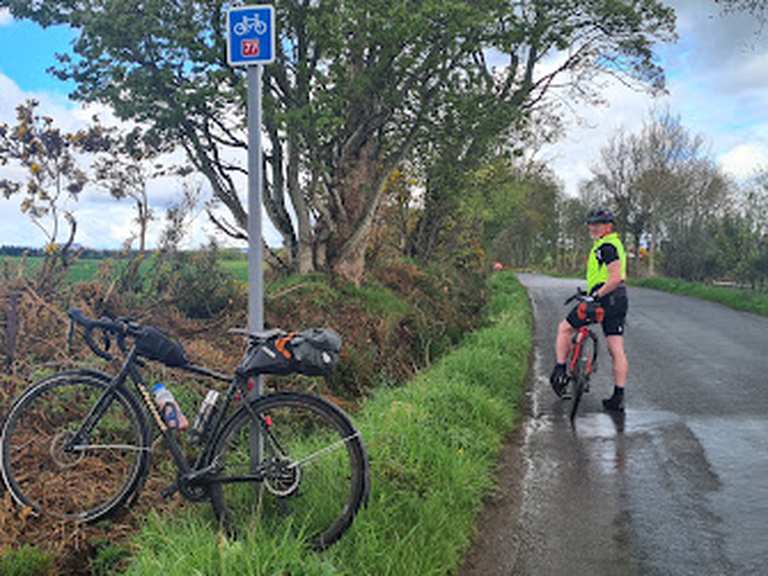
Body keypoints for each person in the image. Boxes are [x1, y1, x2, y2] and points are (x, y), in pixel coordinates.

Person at [549, 208, 629, 412]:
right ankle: (618, 397)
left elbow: (614, 277)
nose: (592, 227)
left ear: (608, 226)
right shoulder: (614, 244)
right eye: (591, 224)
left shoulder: (606, 247)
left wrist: (596, 295)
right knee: (616, 349)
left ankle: (560, 370)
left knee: (565, 328)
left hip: (605, 298)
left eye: (598, 224)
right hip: (619, 299)